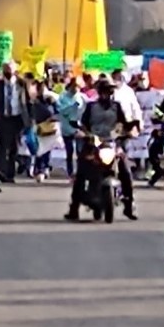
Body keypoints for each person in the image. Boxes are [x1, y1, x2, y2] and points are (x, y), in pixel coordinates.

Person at [64, 79, 139, 221]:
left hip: (112, 144)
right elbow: (83, 124)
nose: (107, 94)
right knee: (81, 173)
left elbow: (124, 124)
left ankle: (129, 205)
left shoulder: (117, 107)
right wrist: (84, 133)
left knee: (125, 170)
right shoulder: (91, 107)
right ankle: (74, 207)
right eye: (104, 91)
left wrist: (130, 131)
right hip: (94, 144)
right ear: (99, 92)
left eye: (110, 91)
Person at [0, 63, 31, 183]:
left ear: (15, 71)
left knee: (14, 147)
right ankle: (1, 172)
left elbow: (28, 102)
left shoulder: (21, 84)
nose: (7, 72)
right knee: (3, 146)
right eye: (6, 69)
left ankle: (10, 174)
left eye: (10, 69)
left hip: (17, 119)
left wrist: (29, 119)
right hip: (3, 118)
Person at [56, 78, 87, 180]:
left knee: (80, 152)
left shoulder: (82, 97)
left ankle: (80, 172)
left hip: (78, 129)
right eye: (75, 86)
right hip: (67, 128)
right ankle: (70, 172)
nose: (76, 89)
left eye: (78, 87)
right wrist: (72, 107)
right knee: (69, 151)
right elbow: (61, 111)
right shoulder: (63, 97)